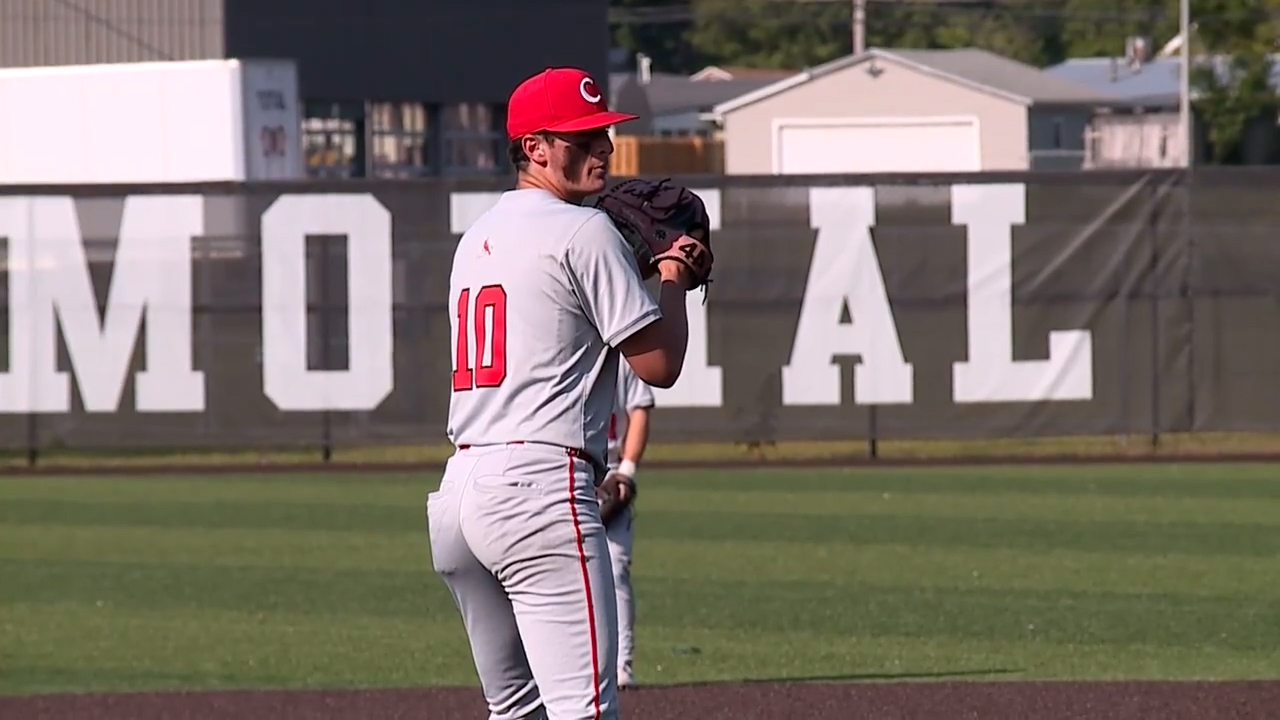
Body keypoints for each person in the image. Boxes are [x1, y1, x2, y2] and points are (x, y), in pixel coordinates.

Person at [426, 66, 699, 720]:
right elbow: (658, 363)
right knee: (584, 712)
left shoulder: (477, 236)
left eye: (602, 132)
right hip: (538, 492)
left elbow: (557, 317)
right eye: (583, 137)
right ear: (535, 147)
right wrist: (672, 279)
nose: (603, 147)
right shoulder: (584, 232)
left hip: (460, 493)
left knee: (516, 712)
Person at [602, 361, 654, 690]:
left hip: (607, 475)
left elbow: (639, 408)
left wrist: (627, 470)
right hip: (560, 469)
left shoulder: (622, 354)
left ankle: (622, 664)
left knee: (616, 571)